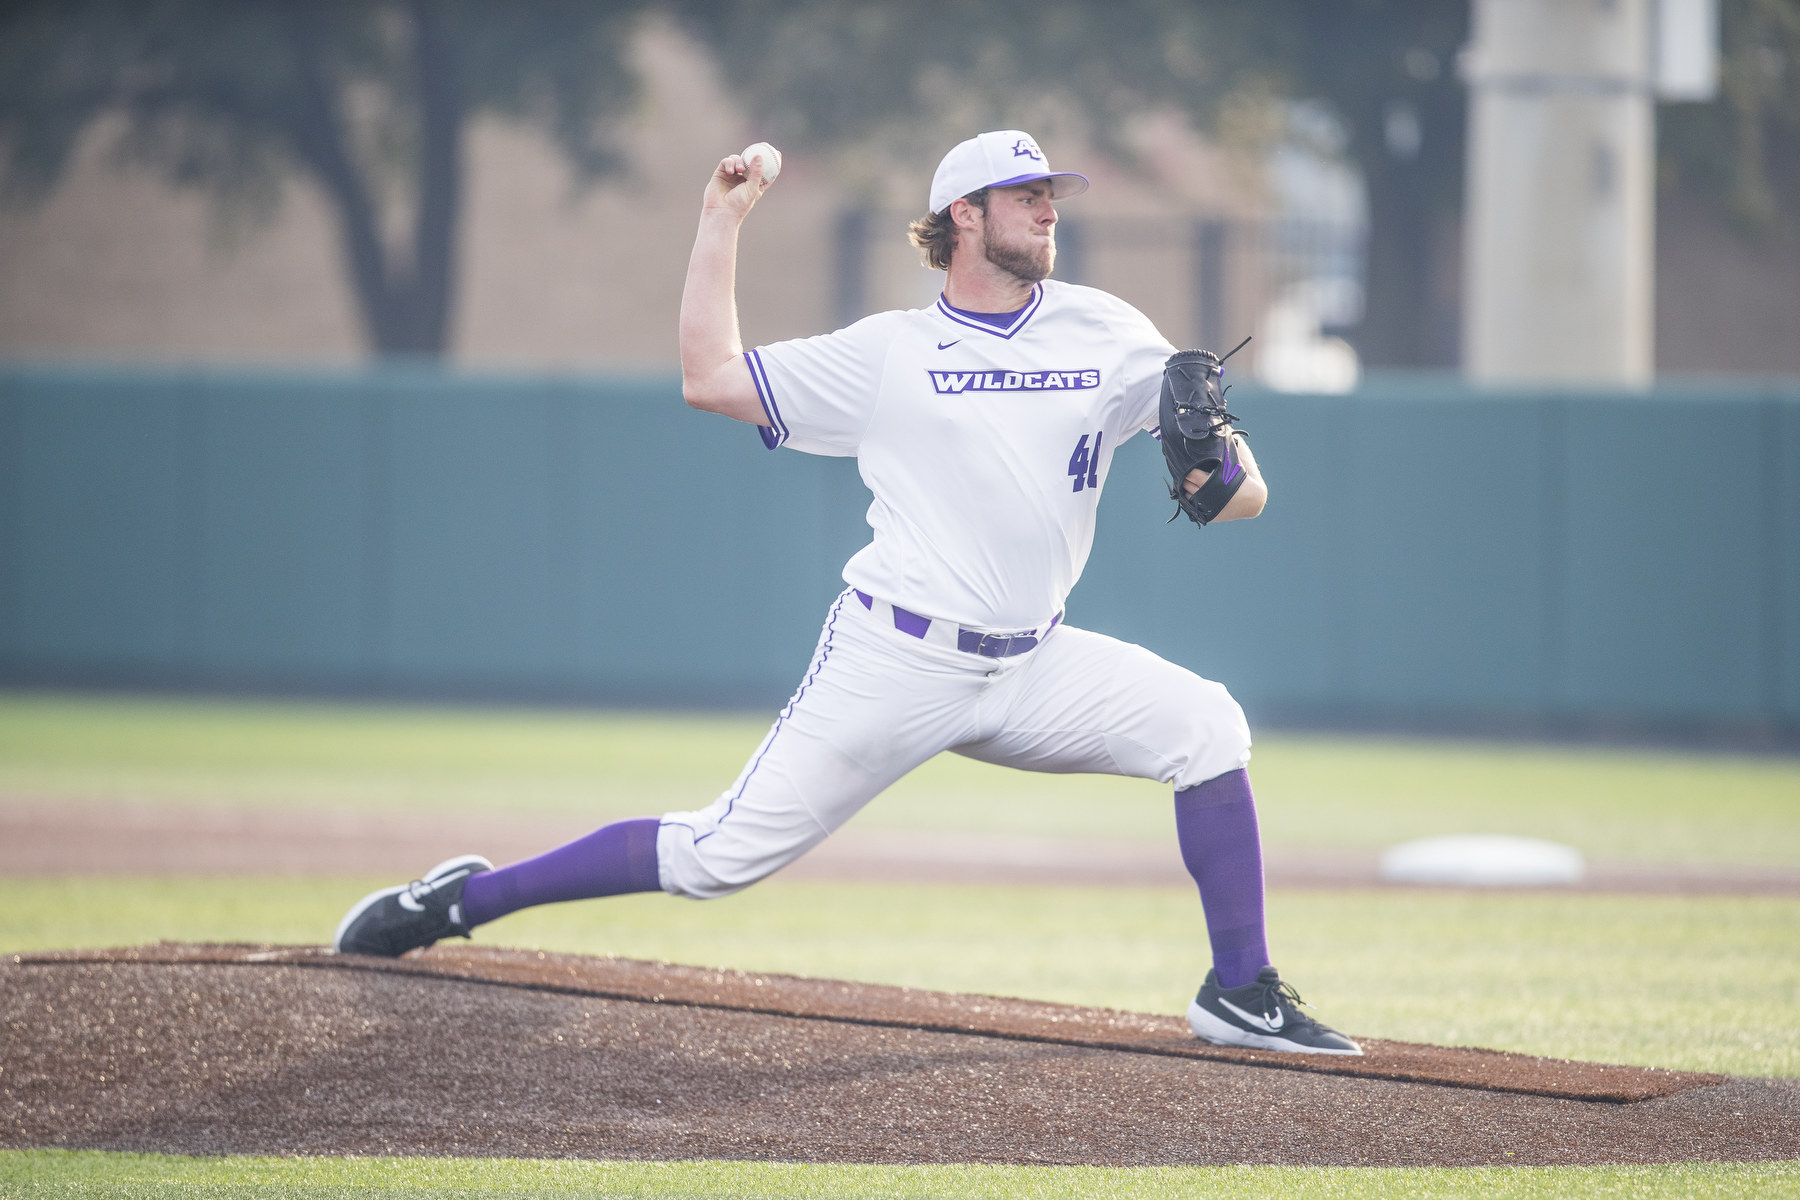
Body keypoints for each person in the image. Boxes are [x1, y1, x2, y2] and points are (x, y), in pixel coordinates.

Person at [332, 130, 1361, 1056]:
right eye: (1027, 194)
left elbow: (1242, 495)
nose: (1051, 209)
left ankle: (1240, 992)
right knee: (713, 858)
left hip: (1036, 661)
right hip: (897, 658)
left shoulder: (1107, 329)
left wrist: (1217, 467)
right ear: (965, 215)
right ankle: (461, 900)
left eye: (1054, 194)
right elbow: (711, 377)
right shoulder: (889, 353)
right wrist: (719, 222)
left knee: (1208, 727)